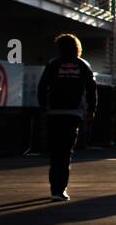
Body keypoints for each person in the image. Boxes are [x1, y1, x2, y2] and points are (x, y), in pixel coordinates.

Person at [36, 33, 97, 201]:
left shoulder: (53, 64)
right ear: (77, 47)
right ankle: (61, 189)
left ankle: (54, 189)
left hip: (54, 113)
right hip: (73, 113)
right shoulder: (83, 65)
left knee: (55, 152)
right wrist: (92, 110)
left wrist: (43, 106)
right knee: (65, 152)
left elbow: (42, 87)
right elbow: (92, 90)